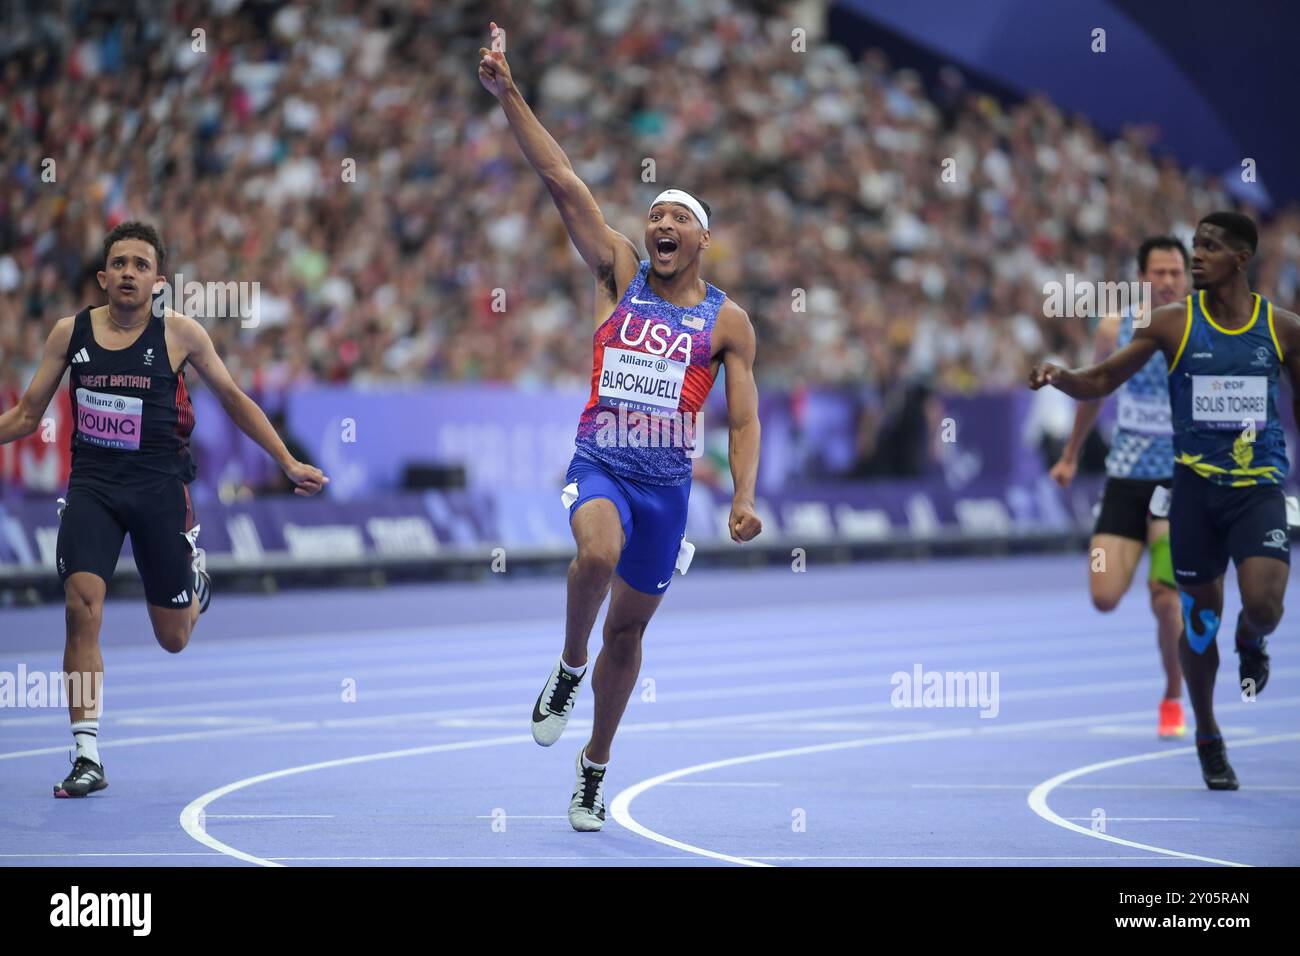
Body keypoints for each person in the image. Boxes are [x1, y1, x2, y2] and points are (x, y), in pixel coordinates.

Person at [477, 22, 763, 830]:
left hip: (667, 493)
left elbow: (744, 420)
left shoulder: (728, 322)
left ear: (702, 239)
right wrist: (508, 92)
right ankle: (569, 664)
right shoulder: (619, 273)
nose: (660, 223)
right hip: (601, 463)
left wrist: (744, 496)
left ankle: (594, 765)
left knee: (629, 638)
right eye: (654, 214)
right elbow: (560, 178)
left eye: (678, 217)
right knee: (595, 554)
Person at [0, 221, 328, 797]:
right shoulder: (69, 333)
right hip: (93, 488)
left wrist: (287, 461)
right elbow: (28, 414)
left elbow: (234, 399)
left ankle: (194, 585)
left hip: (159, 492)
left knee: (173, 637)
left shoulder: (180, 334)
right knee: (81, 606)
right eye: (119, 263)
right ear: (103, 277)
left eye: (141, 264)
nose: (128, 272)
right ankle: (87, 754)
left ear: (158, 281)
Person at [1030, 212, 1298, 789]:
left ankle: (1252, 641)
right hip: (1192, 493)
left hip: (1257, 491)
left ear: (1241, 259)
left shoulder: (1283, 329)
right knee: (1198, 621)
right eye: (1192, 246)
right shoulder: (1169, 323)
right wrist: (1059, 376)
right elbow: (1101, 381)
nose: (1196, 256)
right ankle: (1207, 734)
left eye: (1208, 248)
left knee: (1263, 606)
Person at [1049, 237, 1190, 738]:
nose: (1168, 281)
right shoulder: (1115, 327)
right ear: (1141, 277)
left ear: (1187, 277)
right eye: (1159, 272)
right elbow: (1094, 391)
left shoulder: (1202, 328)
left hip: (1179, 481)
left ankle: (1173, 696)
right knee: (1103, 594)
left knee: (1165, 599)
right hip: (1125, 477)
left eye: (1176, 272)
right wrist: (1070, 454)